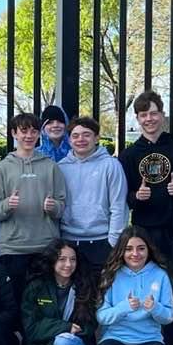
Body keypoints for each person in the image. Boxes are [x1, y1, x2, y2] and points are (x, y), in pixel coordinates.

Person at [118, 90, 173, 345]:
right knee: (142, 292)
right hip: (143, 233)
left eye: (153, 113)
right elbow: (122, 197)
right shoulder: (129, 155)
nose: (149, 119)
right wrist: (135, 197)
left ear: (162, 115)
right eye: (143, 115)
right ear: (137, 119)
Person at [0, 112, 66, 345]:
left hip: (45, 246)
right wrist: (6, 205)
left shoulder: (51, 166)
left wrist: (53, 207)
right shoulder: (2, 168)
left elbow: (62, 206)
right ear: (14, 134)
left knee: (44, 306)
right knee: (14, 307)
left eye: (33, 131)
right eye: (23, 131)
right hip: (14, 248)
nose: (29, 135)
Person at [94, 227, 173, 345]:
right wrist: (123, 307)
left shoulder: (160, 275)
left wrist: (155, 308)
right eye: (128, 249)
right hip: (116, 339)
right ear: (121, 251)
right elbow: (101, 316)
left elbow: (169, 316)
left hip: (149, 340)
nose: (135, 254)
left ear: (149, 250)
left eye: (141, 248)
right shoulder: (110, 274)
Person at [21, 240, 96, 345]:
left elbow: (88, 327)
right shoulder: (37, 286)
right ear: (52, 260)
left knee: (63, 342)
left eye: (73, 259)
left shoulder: (84, 285)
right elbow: (31, 328)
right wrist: (65, 327)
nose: (68, 264)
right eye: (62, 259)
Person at [58, 116, 128, 275]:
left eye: (86, 134)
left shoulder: (111, 165)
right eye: (75, 135)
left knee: (100, 289)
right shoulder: (61, 167)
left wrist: (113, 243)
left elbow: (118, 207)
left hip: (101, 242)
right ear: (69, 140)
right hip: (69, 242)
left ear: (96, 138)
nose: (80, 139)